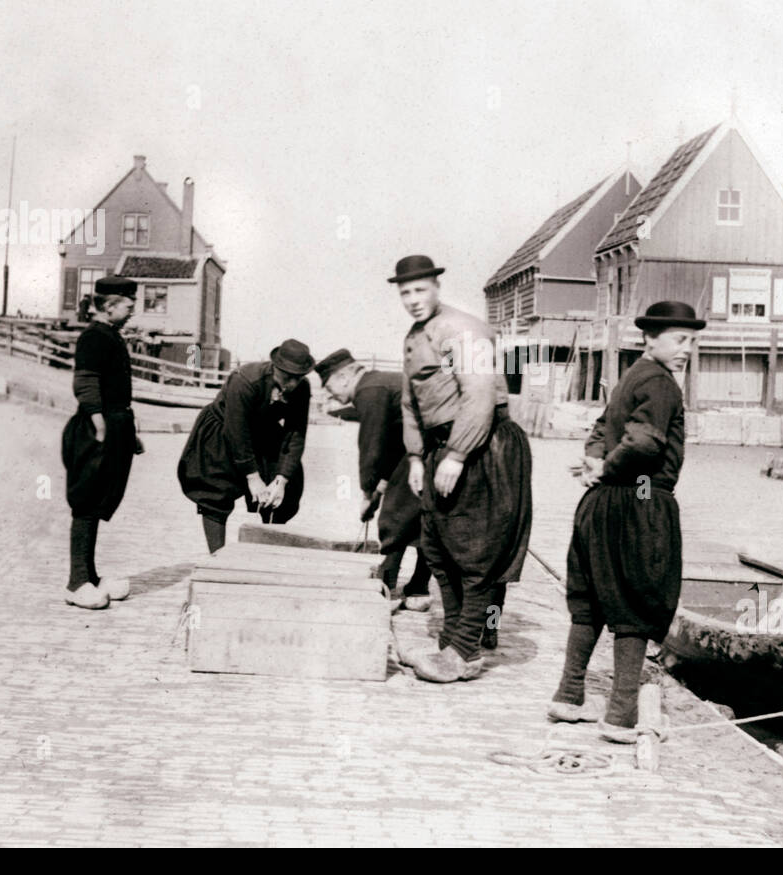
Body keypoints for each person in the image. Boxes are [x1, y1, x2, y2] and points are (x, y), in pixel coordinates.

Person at [547, 300, 704, 742]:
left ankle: (568, 696)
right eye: (679, 339)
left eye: (692, 340)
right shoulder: (663, 384)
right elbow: (645, 445)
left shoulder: (630, 377)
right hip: (640, 498)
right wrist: (609, 466)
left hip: (601, 504)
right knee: (636, 604)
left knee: (591, 600)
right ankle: (620, 718)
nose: (686, 349)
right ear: (650, 338)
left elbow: (601, 429)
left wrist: (596, 464)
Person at [390, 254, 532, 683]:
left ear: (436, 287)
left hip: (482, 445)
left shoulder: (463, 329)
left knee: (475, 553)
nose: (413, 300)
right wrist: (416, 457)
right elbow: (409, 403)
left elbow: (479, 395)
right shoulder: (416, 336)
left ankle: (463, 650)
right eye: (405, 292)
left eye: (420, 290)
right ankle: (455, 645)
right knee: (437, 549)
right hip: (439, 448)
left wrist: (456, 455)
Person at [315, 348, 433, 610]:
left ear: (344, 377)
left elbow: (372, 447)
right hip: (430, 451)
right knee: (425, 519)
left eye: (329, 384)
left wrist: (368, 494)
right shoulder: (380, 383)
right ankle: (418, 587)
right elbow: (395, 442)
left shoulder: (369, 391)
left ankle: (386, 587)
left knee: (394, 517)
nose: (329, 393)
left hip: (425, 453)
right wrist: (380, 487)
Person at [177, 339, 314, 552]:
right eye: (288, 376)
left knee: (285, 490)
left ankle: (266, 550)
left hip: (264, 431)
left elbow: (296, 434)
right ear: (275, 367)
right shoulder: (246, 380)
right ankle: (217, 556)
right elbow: (236, 432)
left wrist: (282, 480)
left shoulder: (301, 389)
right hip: (223, 430)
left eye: (299, 377)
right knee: (216, 490)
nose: (293, 384)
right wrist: (253, 477)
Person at [60, 275, 145, 609]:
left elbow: (117, 390)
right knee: (87, 501)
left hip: (114, 425)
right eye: (128, 304)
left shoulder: (110, 335)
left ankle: (91, 577)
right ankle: (76, 581)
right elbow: (86, 383)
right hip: (97, 429)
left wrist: (129, 433)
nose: (131, 311)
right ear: (109, 306)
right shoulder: (94, 337)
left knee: (97, 502)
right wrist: (99, 427)